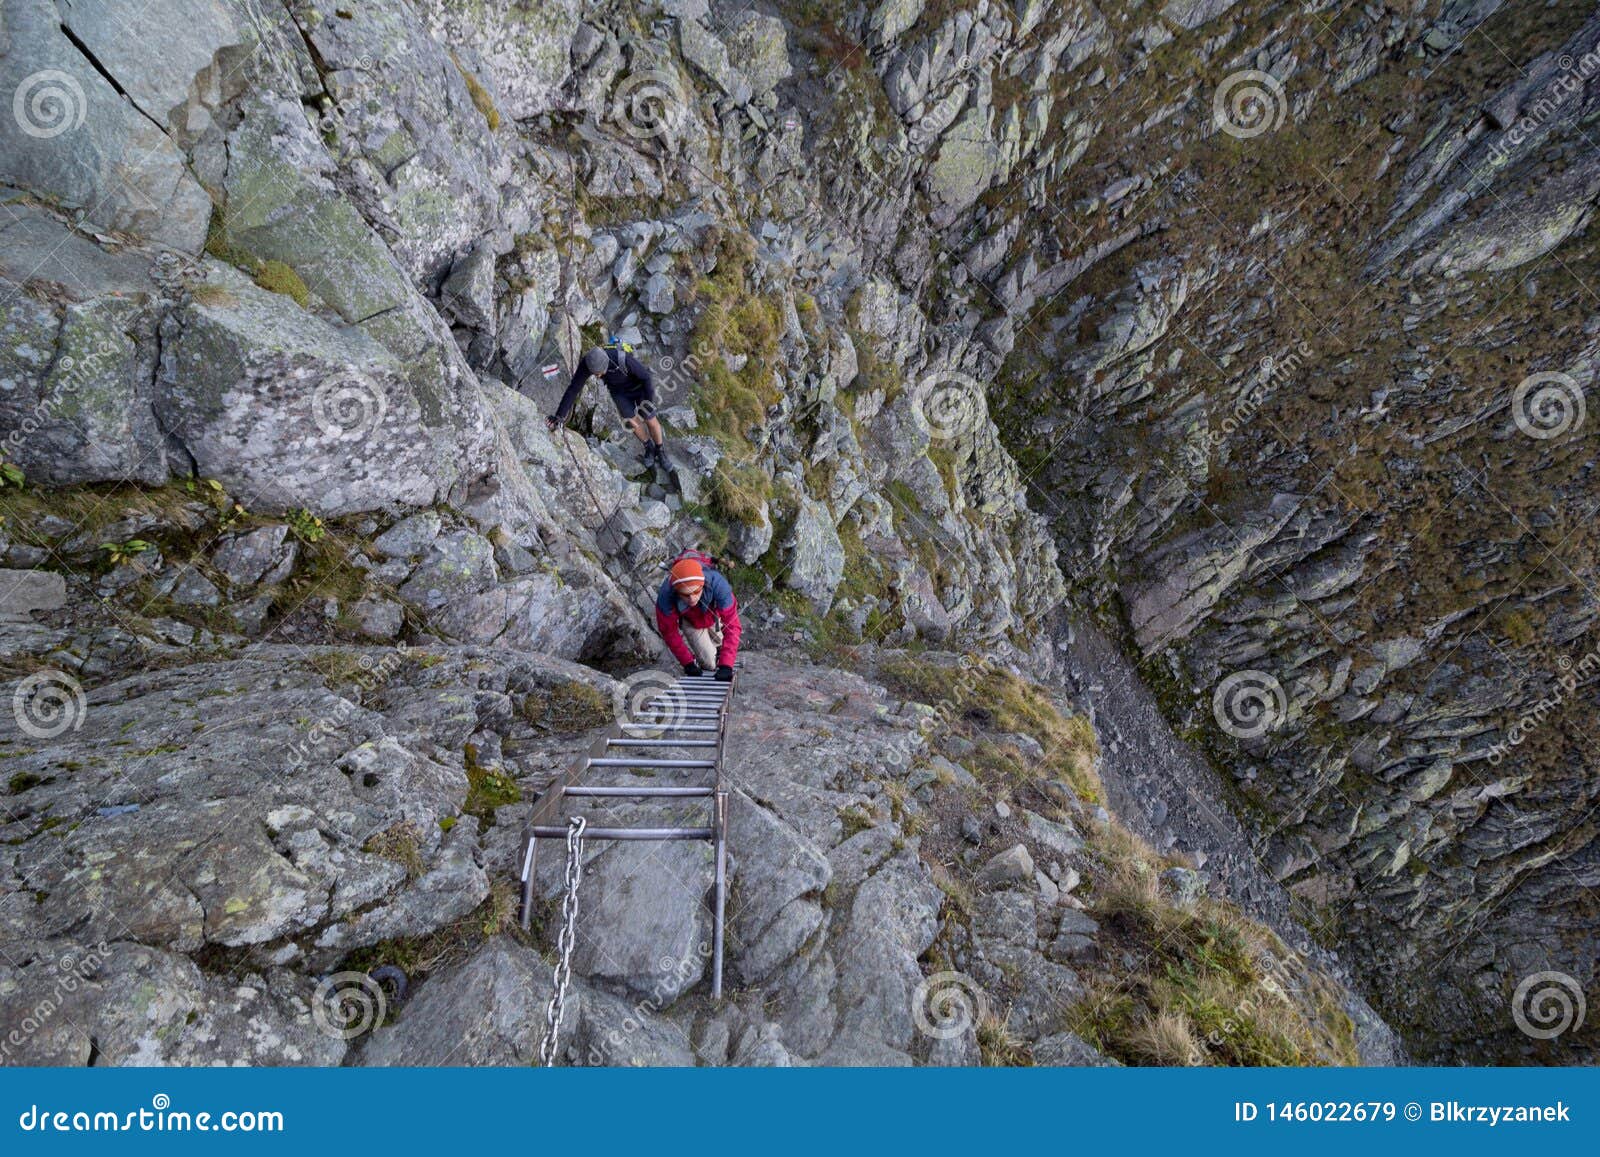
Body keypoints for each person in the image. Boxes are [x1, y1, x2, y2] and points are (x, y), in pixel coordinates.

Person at [546, 346, 668, 465]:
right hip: (619, 392)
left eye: (600, 373)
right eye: (595, 373)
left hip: (639, 388)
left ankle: (660, 450)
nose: (598, 376)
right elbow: (573, 389)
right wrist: (559, 416)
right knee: (632, 421)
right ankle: (649, 447)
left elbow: (646, 377)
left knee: (650, 419)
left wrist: (648, 401)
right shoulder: (587, 364)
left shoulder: (622, 359)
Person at [655, 555, 739, 681]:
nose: (692, 598)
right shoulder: (666, 597)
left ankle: (718, 649)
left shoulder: (719, 585)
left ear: (703, 584)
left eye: (696, 591)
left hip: (712, 616)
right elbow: (669, 632)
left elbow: (732, 625)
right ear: (677, 591)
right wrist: (687, 663)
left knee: (721, 645)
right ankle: (709, 653)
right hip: (691, 622)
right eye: (686, 595)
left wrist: (726, 666)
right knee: (710, 664)